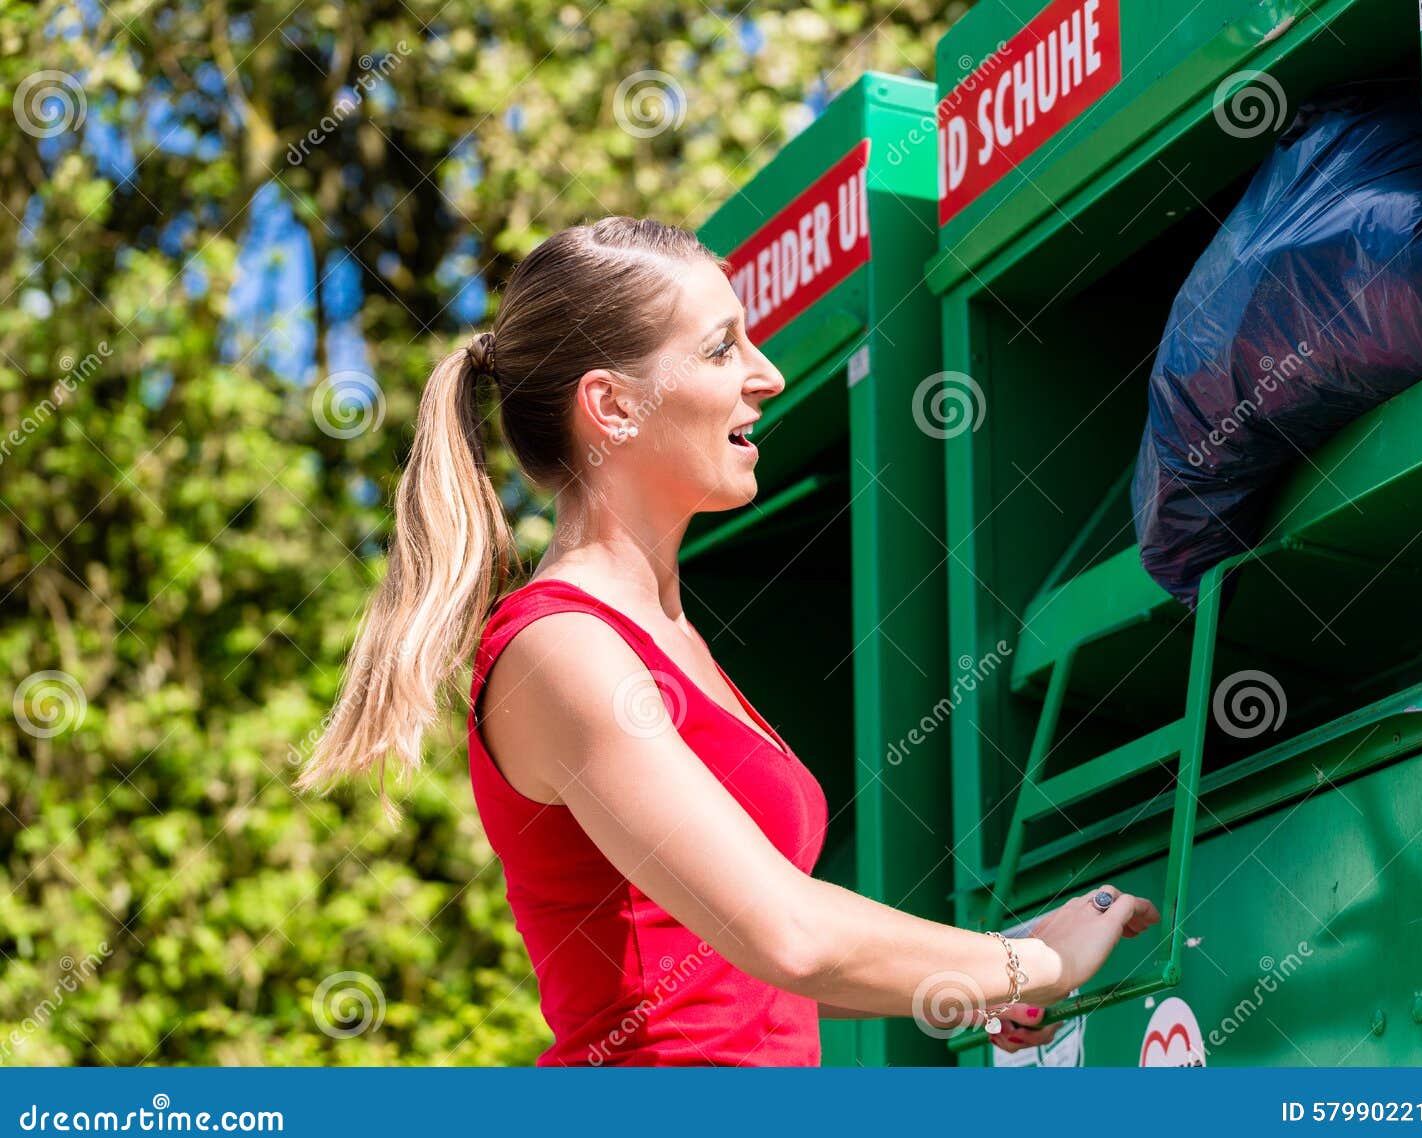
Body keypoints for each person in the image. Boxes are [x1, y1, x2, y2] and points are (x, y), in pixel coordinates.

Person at [297, 216, 1159, 1066]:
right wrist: (1036, 964)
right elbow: (787, 933)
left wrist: (979, 975)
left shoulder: (664, 635)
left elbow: (737, 962)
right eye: (721, 349)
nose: (769, 375)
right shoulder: (562, 649)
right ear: (612, 406)